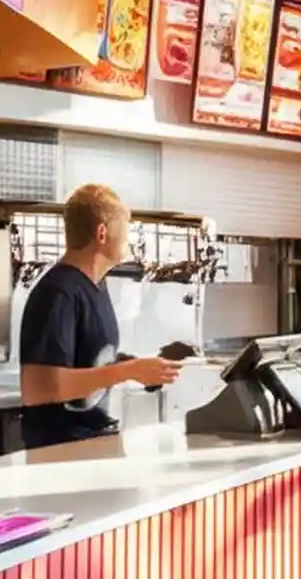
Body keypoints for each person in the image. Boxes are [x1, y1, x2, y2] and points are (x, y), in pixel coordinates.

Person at [19, 184, 181, 449]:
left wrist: (137, 368)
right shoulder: (58, 293)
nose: (129, 242)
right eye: (126, 233)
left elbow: (88, 359)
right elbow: (39, 389)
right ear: (102, 233)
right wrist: (126, 371)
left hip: (93, 441)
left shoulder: (96, 287)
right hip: (60, 451)